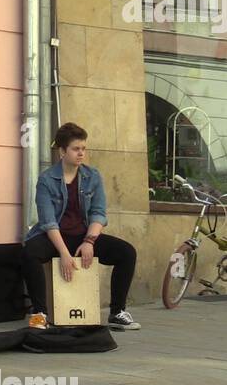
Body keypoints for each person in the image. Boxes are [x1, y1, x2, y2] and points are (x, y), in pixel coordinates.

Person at [22, 122, 140, 330]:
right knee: (30, 252)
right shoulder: (47, 180)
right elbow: (49, 222)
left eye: (83, 148)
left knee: (126, 252)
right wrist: (64, 254)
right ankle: (40, 313)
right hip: (55, 236)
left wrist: (89, 241)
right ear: (62, 151)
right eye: (76, 149)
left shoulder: (92, 176)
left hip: (83, 235)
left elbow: (98, 212)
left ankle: (117, 312)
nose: (81, 153)